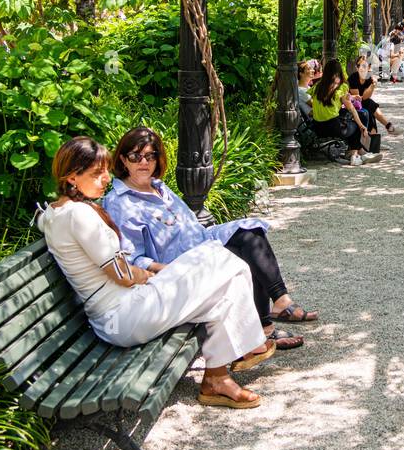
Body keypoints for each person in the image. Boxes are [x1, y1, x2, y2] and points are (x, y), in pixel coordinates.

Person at [37, 137, 271, 409]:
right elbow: (123, 274)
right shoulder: (79, 215)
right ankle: (245, 350)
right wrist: (150, 276)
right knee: (229, 264)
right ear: (72, 178)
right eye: (95, 173)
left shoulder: (56, 213)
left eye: (105, 170)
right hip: (123, 315)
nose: (105, 178)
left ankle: (217, 379)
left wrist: (152, 276)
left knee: (223, 277)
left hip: (124, 309)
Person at [102, 127, 319, 353]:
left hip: (201, 244)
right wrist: (165, 268)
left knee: (251, 233)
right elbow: (133, 259)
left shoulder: (159, 187)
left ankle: (279, 302)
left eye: (150, 156)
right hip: (180, 266)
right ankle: (264, 326)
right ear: (123, 160)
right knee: (242, 256)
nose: (143, 162)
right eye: (135, 157)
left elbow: (191, 225)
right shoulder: (121, 203)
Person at [312, 57, 370, 165]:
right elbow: (352, 109)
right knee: (361, 117)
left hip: (318, 128)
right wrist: (362, 126)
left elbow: (312, 102)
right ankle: (355, 153)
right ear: (339, 72)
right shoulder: (341, 87)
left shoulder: (317, 86)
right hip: (334, 128)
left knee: (351, 118)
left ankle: (356, 152)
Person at [348, 54, 400, 137]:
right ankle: (388, 126)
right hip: (352, 104)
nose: (361, 68)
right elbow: (358, 99)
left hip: (364, 104)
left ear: (369, 68)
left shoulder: (369, 78)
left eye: (364, 66)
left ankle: (374, 141)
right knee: (370, 105)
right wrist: (372, 86)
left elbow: (365, 97)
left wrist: (372, 85)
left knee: (370, 109)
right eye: (359, 65)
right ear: (356, 67)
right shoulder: (353, 78)